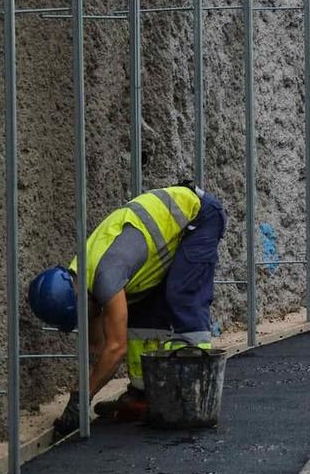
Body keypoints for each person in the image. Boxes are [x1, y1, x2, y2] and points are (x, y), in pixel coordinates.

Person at [26, 183, 227, 435]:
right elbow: (98, 343)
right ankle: (144, 395)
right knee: (142, 313)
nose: (83, 322)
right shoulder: (80, 276)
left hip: (199, 217)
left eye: (79, 318)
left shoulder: (105, 277)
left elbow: (115, 347)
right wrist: (85, 384)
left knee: (183, 297)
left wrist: (81, 396)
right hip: (168, 235)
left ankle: (193, 396)